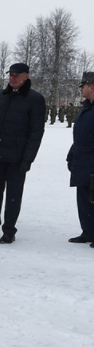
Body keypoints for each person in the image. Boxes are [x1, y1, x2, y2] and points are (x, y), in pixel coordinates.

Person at [0, 63, 46, 244]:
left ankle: (9, 230)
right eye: (10, 74)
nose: (12, 78)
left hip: (17, 157)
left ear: (26, 76)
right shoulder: (0, 97)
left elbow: (36, 132)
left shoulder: (34, 99)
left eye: (16, 75)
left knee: (13, 196)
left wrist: (27, 158)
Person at [67, 72, 94, 246]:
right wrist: (71, 155)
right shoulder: (86, 107)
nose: (81, 89)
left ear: (92, 86)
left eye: (83, 86)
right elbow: (79, 135)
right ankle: (88, 232)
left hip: (91, 159)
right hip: (82, 160)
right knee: (84, 198)